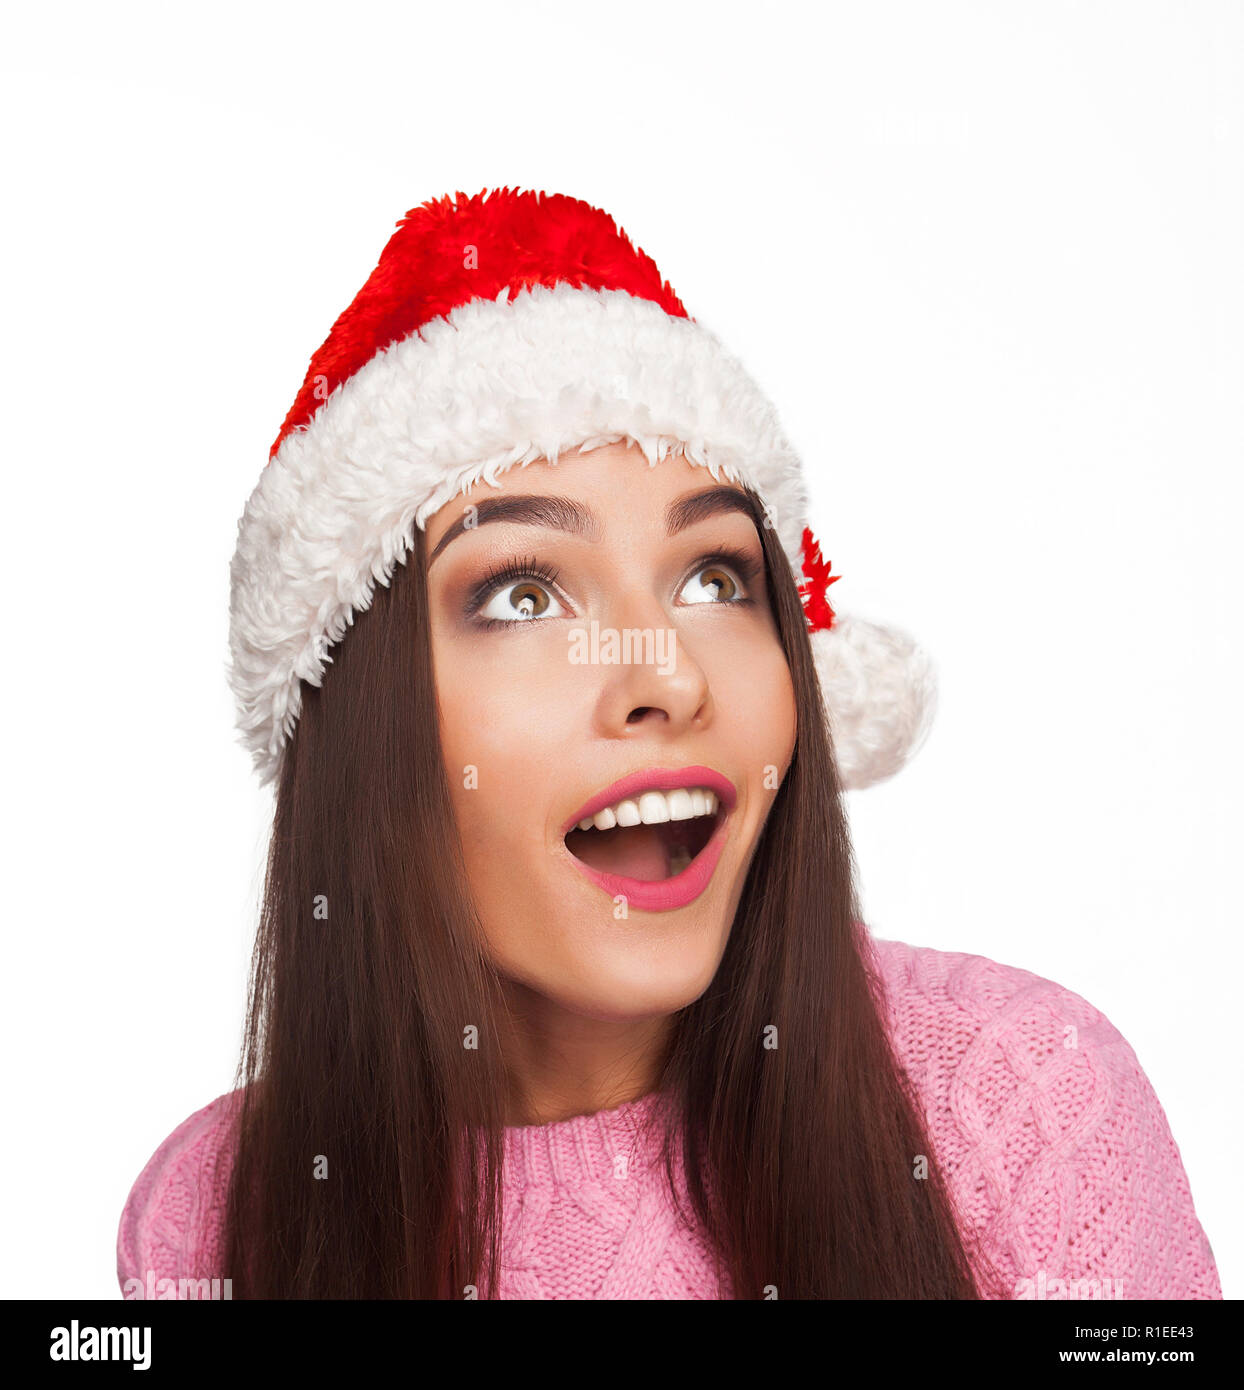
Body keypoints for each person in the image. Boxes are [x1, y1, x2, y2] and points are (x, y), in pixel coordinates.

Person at [117, 187, 1221, 1300]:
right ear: (360, 721)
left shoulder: (1018, 1097)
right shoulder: (209, 1221)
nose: (665, 675)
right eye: (522, 595)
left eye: (712, 579)